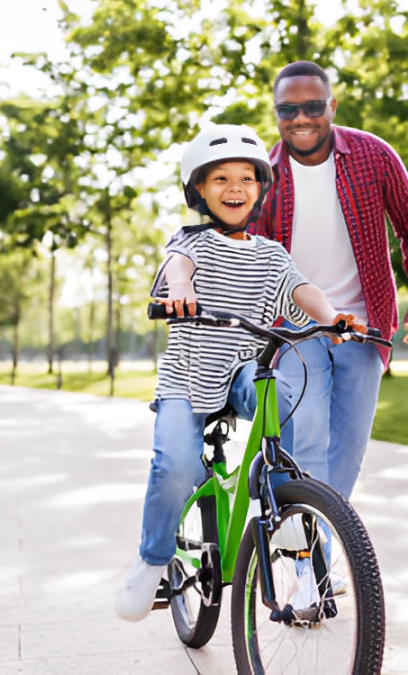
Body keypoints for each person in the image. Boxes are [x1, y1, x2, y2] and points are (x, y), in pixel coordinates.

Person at [164, 61, 408, 501]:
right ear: (275, 113)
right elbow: (228, 244)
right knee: (307, 441)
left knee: (348, 455)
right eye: (288, 110)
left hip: (362, 326)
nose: (300, 119)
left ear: (332, 106)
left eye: (313, 107)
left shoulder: (374, 157)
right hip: (293, 327)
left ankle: (324, 543)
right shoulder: (262, 177)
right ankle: (299, 555)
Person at [115, 123, 355, 622]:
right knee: (176, 466)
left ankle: (277, 492)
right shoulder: (189, 242)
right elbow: (178, 267)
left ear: (260, 189)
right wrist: (181, 289)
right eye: (220, 179)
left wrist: (332, 317)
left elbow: (300, 288)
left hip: (242, 369)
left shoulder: (270, 254)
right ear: (199, 189)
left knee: (285, 397)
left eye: (246, 178)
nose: (235, 188)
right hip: (187, 377)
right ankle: (153, 560)